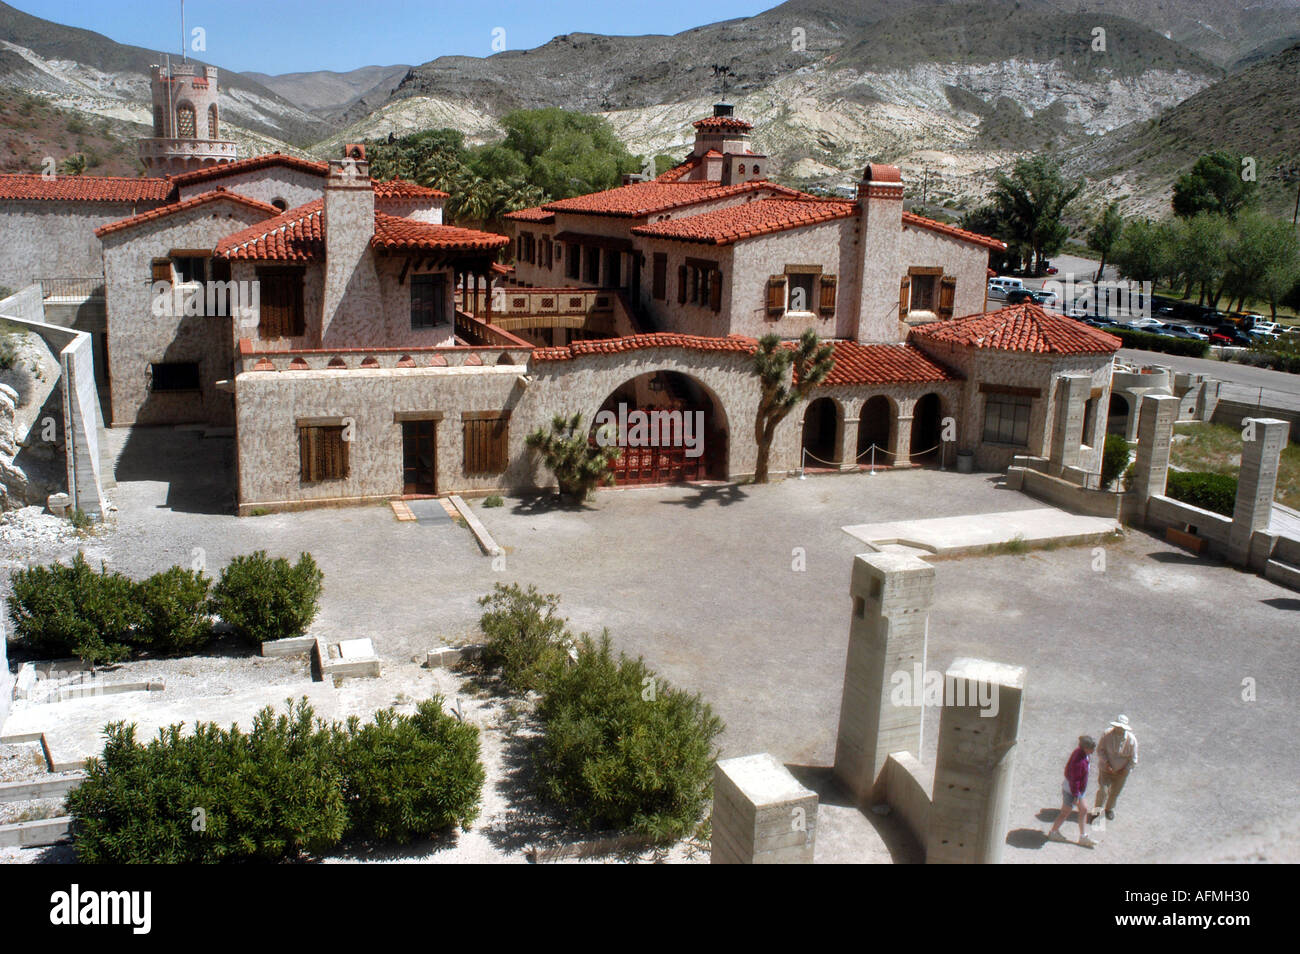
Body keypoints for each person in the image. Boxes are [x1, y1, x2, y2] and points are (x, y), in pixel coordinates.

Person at [1047, 735, 1097, 848]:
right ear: (1085, 748)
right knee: (1065, 812)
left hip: (1077, 791)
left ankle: (1083, 836)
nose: (1094, 751)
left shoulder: (1083, 754)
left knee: (1083, 810)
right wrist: (1076, 796)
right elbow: (1075, 780)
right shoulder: (1079, 761)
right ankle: (1053, 833)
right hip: (1072, 790)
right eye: (1092, 748)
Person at [1094, 715, 1138, 821]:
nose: (1119, 729)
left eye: (1122, 728)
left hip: (1122, 772)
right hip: (1105, 769)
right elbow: (1100, 750)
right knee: (1103, 791)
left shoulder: (1132, 740)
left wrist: (1125, 770)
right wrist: (1107, 764)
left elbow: (1134, 759)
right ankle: (1097, 812)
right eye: (1118, 727)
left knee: (1115, 792)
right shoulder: (1106, 734)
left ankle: (1109, 809)